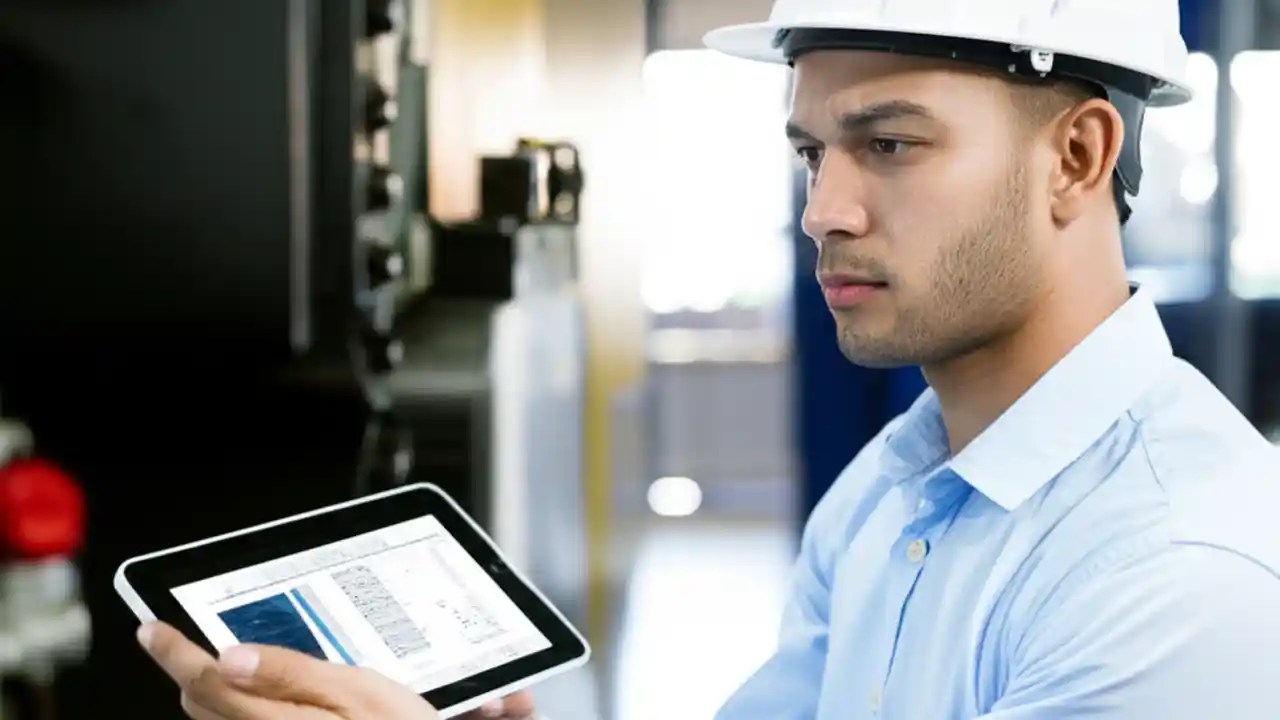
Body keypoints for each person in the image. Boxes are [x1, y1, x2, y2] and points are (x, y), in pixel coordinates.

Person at [136, 0, 1280, 718]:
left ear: (1076, 158)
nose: (821, 211)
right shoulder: (896, 488)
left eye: (886, 145)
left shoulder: (1176, 581)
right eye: (810, 152)